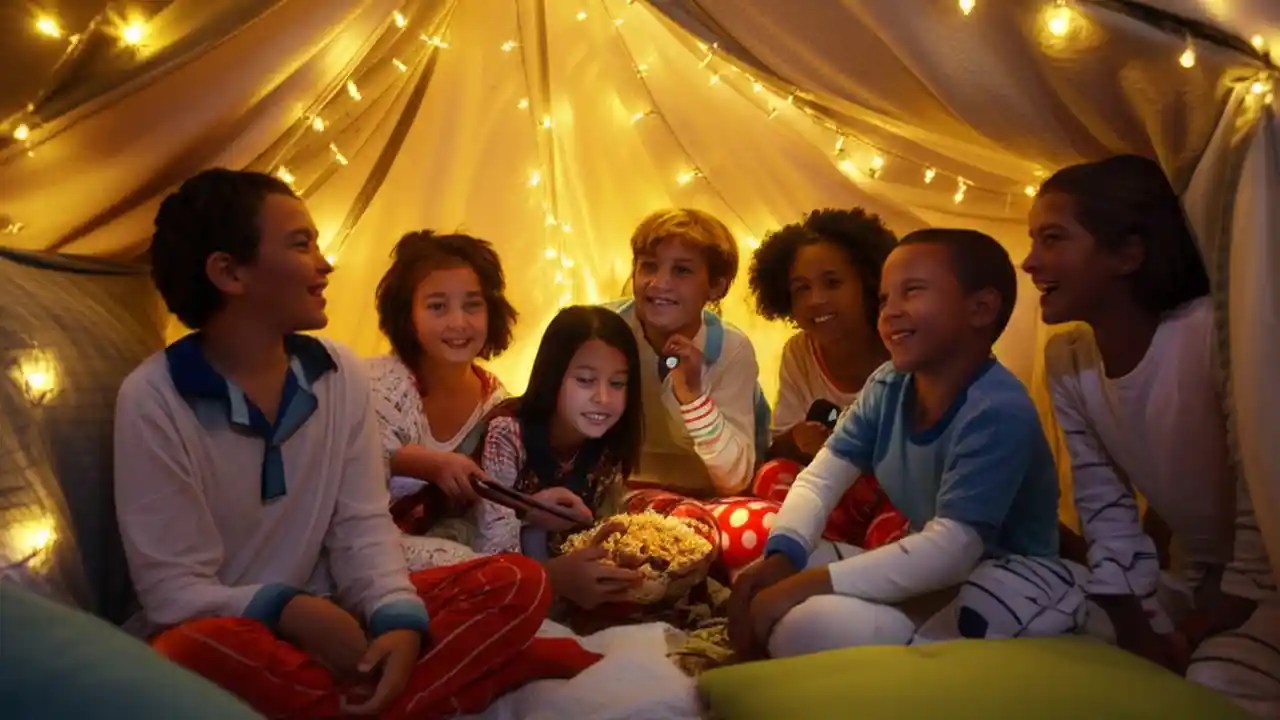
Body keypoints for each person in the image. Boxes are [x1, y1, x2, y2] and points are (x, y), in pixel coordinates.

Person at [114, 169, 599, 719]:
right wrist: (288, 609)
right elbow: (173, 593)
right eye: (301, 245)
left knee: (517, 582)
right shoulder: (155, 399)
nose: (325, 264)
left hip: (340, 610)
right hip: (234, 627)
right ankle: (482, 674)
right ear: (230, 272)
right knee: (186, 650)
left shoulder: (336, 373)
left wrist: (397, 617)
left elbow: (362, 526)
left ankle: (360, 697)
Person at [728, 228, 1083, 660]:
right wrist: (782, 562)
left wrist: (799, 588)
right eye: (884, 299)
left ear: (980, 308)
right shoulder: (889, 386)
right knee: (760, 575)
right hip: (927, 574)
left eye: (911, 292)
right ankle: (900, 642)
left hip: (1003, 577)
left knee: (806, 625)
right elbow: (820, 479)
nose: (890, 312)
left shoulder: (997, 409)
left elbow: (953, 550)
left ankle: (920, 649)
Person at [1025, 154, 1278, 717]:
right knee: (1047, 617)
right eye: (1032, 241)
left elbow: (1261, 491)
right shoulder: (1068, 362)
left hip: (1265, 584)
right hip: (1192, 577)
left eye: (1052, 239)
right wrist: (1134, 621)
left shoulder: (1210, 334)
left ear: (1127, 254)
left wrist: (1201, 626)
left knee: (1215, 680)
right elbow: (1105, 509)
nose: (1029, 262)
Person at [604, 208, 768, 576]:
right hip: (619, 493)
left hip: (709, 499)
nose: (659, 283)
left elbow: (734, 478)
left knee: (763, 528)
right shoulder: (603, 331)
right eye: (648, 266)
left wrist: (692, 398)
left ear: (717, 286)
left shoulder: (730, 350)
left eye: (681, 271)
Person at [746, 208, 908, 552]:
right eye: (801, 288)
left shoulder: (904, 347)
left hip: (895, 494)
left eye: (832, 283)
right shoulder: (799, 351)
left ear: (869, 283)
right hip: (828, 492)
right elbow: (780, 447)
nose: (815, 299)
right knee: (772, 477)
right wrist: (798, 439)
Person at [473, 305, 648, 610]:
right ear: (554, 377)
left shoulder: (609, 441)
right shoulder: (509, 433)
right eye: (585, 380)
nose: (603, 398)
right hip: (505, 583)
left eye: (617, 383)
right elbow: (493, 550)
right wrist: (530, 515)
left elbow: (603, 520)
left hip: (574, 573)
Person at [368, 231, 514, 566]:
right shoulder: (376, 385)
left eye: (472, 305)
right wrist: (423, 464)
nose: (458, 322)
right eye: (438, 307)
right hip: (368, 557)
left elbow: (497, 517)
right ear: (408, 315)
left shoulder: (498, 405)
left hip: (461, 565)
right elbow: (339, 474)